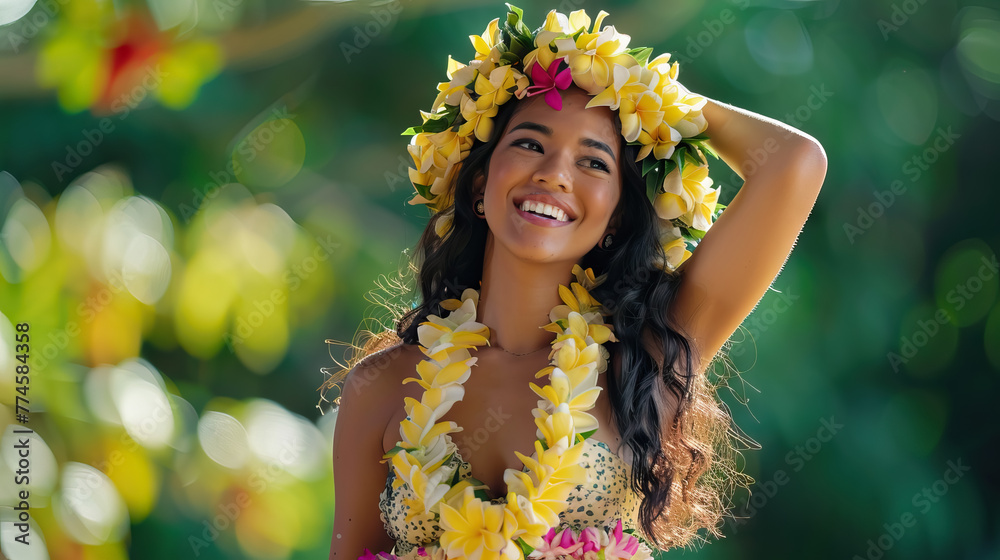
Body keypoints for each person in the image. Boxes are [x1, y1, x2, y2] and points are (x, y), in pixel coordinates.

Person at [326, 5, 827, 559]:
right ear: (477, 185)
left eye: (593, 163)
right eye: (530, 144)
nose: (555, 173)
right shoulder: (380, 386)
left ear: (616, 217)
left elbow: (794, 164)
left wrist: (640, 91)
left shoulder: (644, 358)